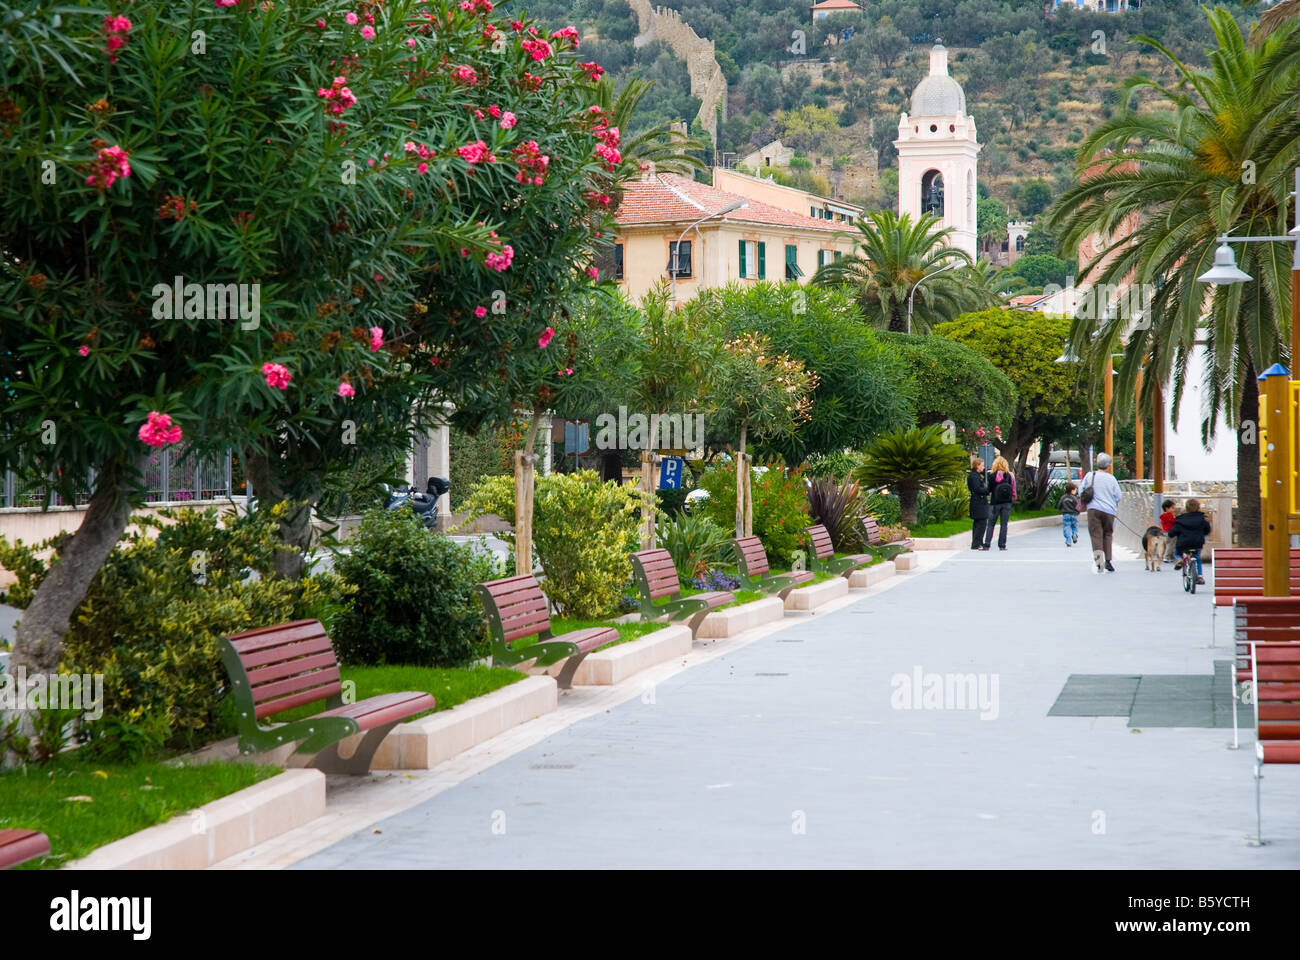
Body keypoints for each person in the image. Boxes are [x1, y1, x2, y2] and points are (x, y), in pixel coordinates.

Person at [1080, 452, 1123, 572]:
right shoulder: (1112, 479)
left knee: (1096, 535)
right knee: (1108, 534)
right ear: (1108, 465)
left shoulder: (1090, 476)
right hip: (1109, 511)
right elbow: (1118, 496)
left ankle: (1099, 562)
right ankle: (1109, 561)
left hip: (1093, 509)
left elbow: (1081, 490)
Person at [1170, 498, 1211, 585]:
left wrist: (1172, 534)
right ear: (1198, 507)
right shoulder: (1202, 519)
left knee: (1177, 552)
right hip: (1197, 543)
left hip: (1183, 543)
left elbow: (1172, 532)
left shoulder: (1180, 520)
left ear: (1186, 508)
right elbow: (1207, 530)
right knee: (1198, 558)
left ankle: (1180, 559)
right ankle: (1200, 576)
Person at [982, 455, 1017, 551]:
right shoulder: (1009, 476)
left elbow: (989, 490)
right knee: (1004, 524)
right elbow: (1013, 489)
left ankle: (987, 544)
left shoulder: (992, 475)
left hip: (995, 503)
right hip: (1007, 503)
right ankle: (1002, 545)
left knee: (991, 524)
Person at [967, 456, 990, 551]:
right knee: (981, 523)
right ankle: (977, 543)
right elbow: (977, 489)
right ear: (977, 466)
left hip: (979, 502)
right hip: (978, 502)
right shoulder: (974, 476)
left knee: (979, 523)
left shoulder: (976, 475)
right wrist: (987, 491)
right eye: (982, 465)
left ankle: (978, 542)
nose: (983, 467)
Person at [1058, 482, 1080, 546]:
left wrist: (1061, 510)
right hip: (1074, 515)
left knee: (1066, 527)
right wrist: (1078, 512)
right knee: (1074, 526)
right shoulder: (1075, 498)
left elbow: (1059, 505)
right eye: (1075, 490)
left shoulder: (1063, 497)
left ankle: (1068, 540)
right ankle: (1075, 534)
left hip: (1066, 515)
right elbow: (1078, 506)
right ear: (1072, 490)